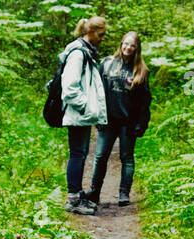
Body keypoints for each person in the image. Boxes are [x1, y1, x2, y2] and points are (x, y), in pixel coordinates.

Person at [84, 30, 151, 209]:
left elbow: (145, 101)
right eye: (126, 44)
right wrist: (96, 115)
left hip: (128, 122)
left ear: (137, 48)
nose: (128, 48)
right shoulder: (107, 63)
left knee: (127, 158)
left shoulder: (142, 70)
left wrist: (141, 123)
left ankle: (124, 193)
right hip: (108, 120)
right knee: (100, 156)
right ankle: (94, 192)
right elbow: (97, 90)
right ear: (121, 44)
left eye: (132, 45)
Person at [59, 16, 107, 214]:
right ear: (90, 32)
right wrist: (86, 107)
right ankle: (73, 201)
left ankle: (77, 197)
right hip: (78, 113)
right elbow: (69, 88)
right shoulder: (78, 54)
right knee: (77, 154)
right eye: (101, 34)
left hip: (81, 114)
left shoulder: (85, 51)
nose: (103, 38)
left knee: (80, 154)